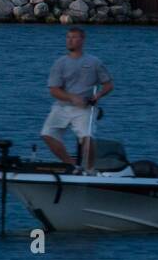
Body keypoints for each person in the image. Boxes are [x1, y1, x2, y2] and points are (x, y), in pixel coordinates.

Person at [41, 27, 113, 172]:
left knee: (87, 138)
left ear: (82, 40)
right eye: (68, 37)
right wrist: (71, 97)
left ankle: (90, 169)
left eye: (74, 37)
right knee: (47, 134)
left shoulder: (94, 62)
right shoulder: (60, 63)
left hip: (85, 108)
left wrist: (97, 96)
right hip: (62, 106)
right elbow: (54, 90)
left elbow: (108, 85)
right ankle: (72, 165)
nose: (70, 40)